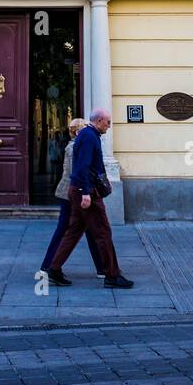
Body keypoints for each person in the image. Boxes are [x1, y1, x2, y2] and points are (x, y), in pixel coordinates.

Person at [46, 109, 134, 289]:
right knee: (103, 232)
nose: (109, 126)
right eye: (108, 122)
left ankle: (53, 269)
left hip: (81, 190)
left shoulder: (89, 135)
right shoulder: (89, 137)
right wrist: (84, 192)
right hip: (86, 192)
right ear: (100, 120)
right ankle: (112, 275)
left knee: (73, 232)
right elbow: (81, 167)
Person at [39, 118, 105, 277]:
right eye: (84, 128)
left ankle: (103, 267)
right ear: (77, 132)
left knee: (92, 230)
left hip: (75, 193)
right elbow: (74, 173)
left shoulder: (77, 145)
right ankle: (48, 266)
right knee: (64, 230)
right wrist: (85, 192)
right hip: (72, 194)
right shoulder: (74, 147)